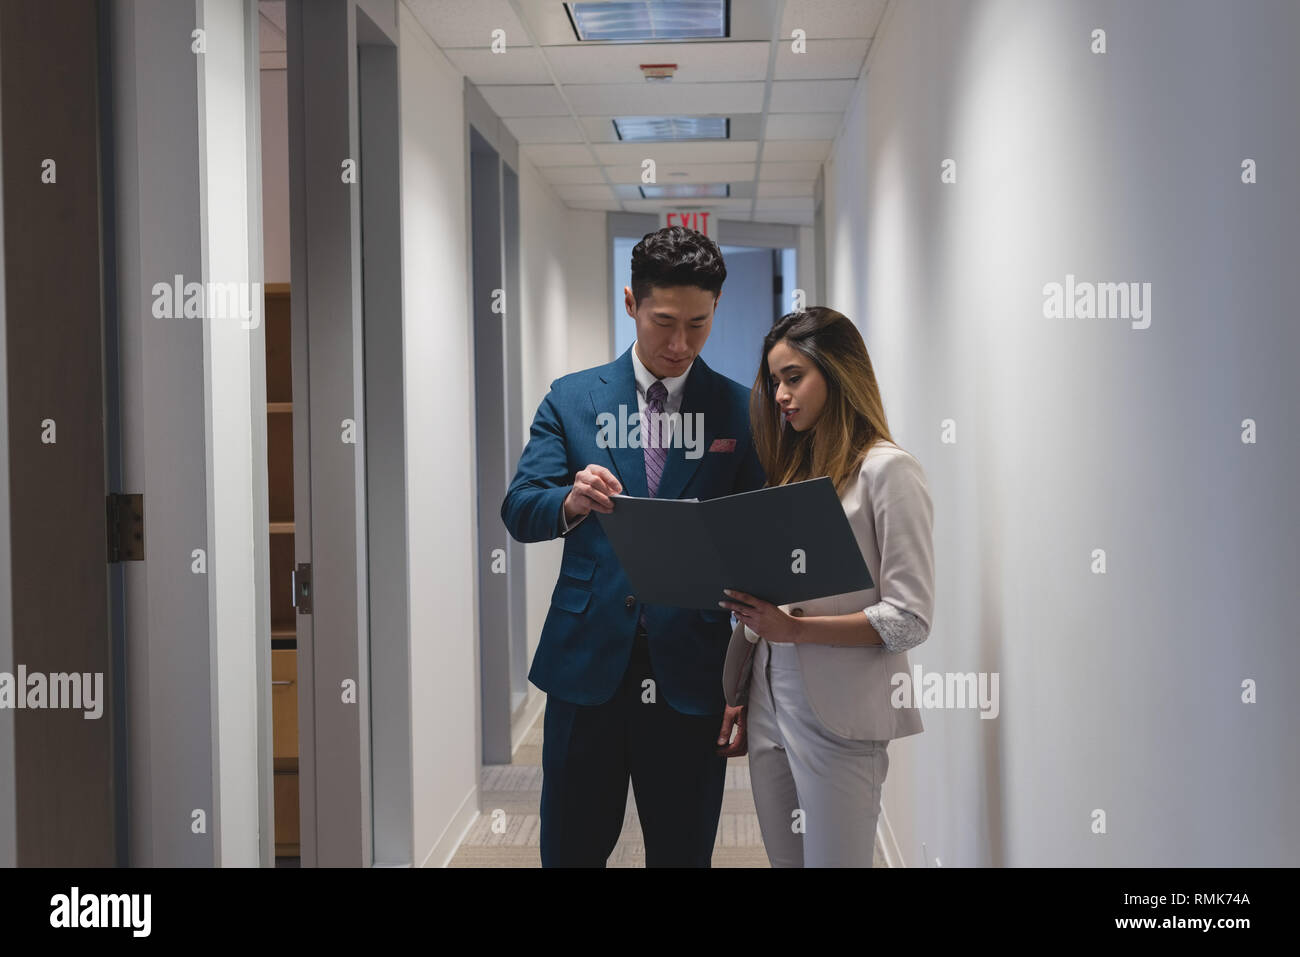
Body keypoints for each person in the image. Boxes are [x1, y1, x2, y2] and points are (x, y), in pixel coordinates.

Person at [500, 226, 766, 867]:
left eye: (698, 325)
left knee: (682, 850)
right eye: (664, 322)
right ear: (631, 304)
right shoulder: (572, 399)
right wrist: (569, 499)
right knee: (571, 846)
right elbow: (519, 508)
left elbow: (764, 539)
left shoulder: (740, 410)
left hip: (691, 668)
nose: (680, 344)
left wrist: (747, 673)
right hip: (587, 663)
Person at [718, 307, 936, 868]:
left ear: (838, 373)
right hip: (769, 701)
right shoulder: (793, 473)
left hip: (841, 715)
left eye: (794, 377)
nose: (781, 395)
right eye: (775, 381)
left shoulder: (889, 472)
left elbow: (909, 619)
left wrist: (795, 629)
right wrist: (740, 687)